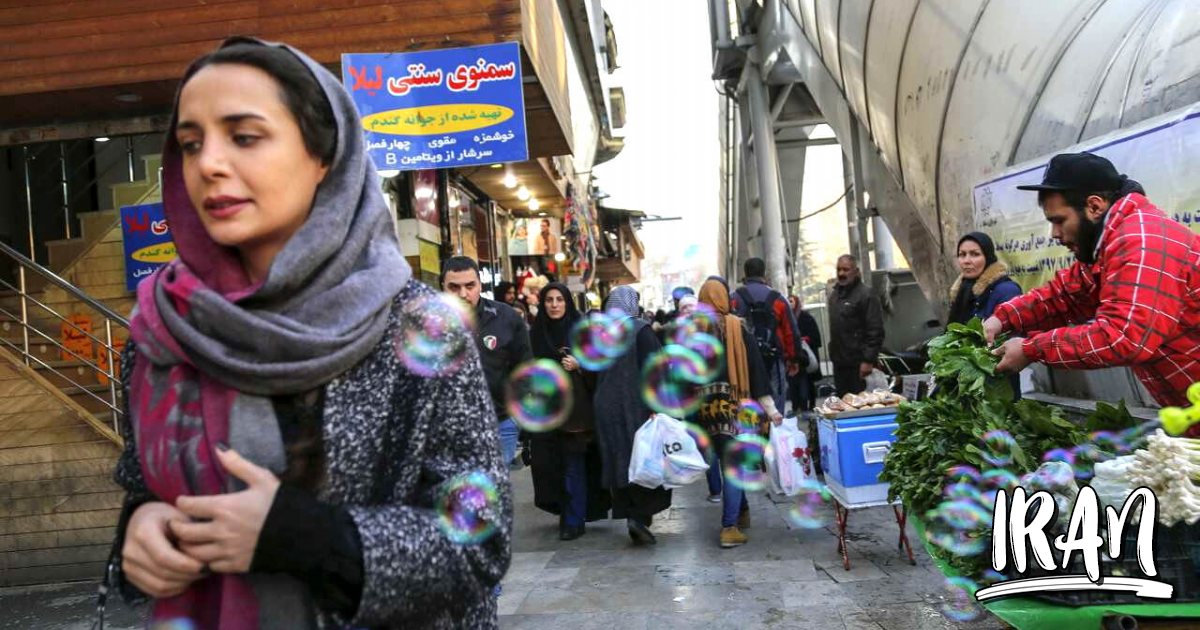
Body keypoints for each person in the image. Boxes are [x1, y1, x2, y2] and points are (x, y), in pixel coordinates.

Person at [106, 38, 510, 629]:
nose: (209, 164)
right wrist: (137, 531)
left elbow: (482, 543)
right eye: (191, 144)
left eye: (244, 136)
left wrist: (301, 537)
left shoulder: (418, 326)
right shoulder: (163, 327)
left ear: (325, 156)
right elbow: (144, 488)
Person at [987, 152, 1200, 411]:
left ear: (1095, 206)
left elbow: (1121, 337)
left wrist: (1031, 349)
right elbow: (1065, 296)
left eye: (1059, 221)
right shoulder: (1110, 244)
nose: (1054, 234)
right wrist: (1001, 319)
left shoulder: (1141, 240)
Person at [694, 278, 783, 548]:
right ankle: (729, 527)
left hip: (706, 411)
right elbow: (756, 371)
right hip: (736, 407)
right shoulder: (738, 327)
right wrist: (770, 408)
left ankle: (741, 510)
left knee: (726, 461)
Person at [528, 283, 610, 541]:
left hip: (576, 415)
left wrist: (580, 365)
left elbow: (600, 368)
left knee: (574, 465)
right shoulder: (535, 335)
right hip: (545, 413)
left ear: (568, 302)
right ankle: (566, 511)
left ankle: (574, 519)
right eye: (549, 300)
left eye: (559, 300)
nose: (554, 305)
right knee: (551, 466)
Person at [592, 285, 669, 545]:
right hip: (635, 407)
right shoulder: (640, 330)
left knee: (621, 461)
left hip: (606, 408)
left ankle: (630, 515)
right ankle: (639, 517)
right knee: (644, 460)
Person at [443, 256, 532, 469]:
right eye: (454, 287)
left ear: (479, 285)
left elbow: (525, 367)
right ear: (443, 287)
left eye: (470, 286)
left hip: (500, 424)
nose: (463, 294)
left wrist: (515, 414)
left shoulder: (506, 317)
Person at [731, 258, 804, 414]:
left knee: (748, 400)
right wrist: (794, 359)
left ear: (745, 273)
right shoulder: (778, 299)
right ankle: (774, 433)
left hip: (745, 360)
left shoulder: (734, 298)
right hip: (774, 360)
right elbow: (791, 331)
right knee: (776, 401)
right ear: (764, 273)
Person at [826, 255, 885, 396]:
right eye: (839, 269)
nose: (841, 273)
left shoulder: (866, 295)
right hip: (840, 364)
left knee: (861, 403)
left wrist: (868, 360)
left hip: (858, 365)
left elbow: (875, 330)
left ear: (856, 271)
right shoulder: (835, 296)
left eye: (846, 269)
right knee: (844, 404)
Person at [788, 294, 822, 412]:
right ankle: (797, 406)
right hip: (795, 355)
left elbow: (816, 337)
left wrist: (805, 339)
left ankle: (811, 404)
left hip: (807, 355)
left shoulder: (806, 318)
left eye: (791, 301)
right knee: (795, 382)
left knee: (809, 381)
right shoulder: (786, 318)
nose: (790, 304)